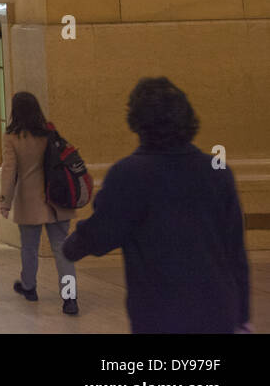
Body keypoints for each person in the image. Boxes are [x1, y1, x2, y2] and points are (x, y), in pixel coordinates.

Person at [62, 78, 250, 334]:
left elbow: (101, 233)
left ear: (137, 122)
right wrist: (243, 316)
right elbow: (236, 252)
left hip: (160, 313)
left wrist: (72, 246)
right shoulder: (218, 172)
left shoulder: (129, 174)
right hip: (218, 309)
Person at [0, 92, 78, 316]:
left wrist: (5, 201)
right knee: (62, 250)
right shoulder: (50, 132)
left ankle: (29, 287)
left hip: (30, 201)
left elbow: (9, 171)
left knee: (29, 249)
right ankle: (70, 298)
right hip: (57, 199)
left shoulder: (12, 137)